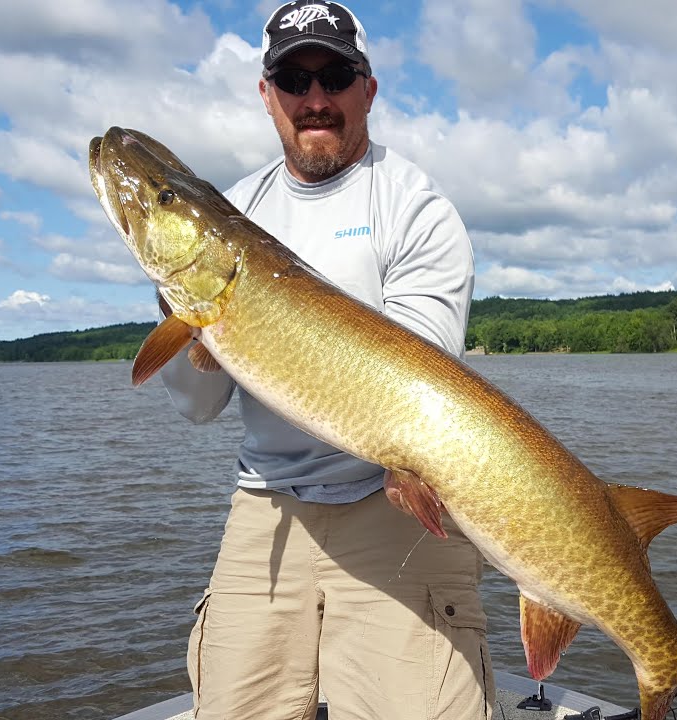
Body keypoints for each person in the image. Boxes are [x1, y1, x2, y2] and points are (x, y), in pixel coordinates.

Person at [156, 3, 494, 719]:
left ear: (367, 89)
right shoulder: (231, 212)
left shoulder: (414, 206)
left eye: (335, 75)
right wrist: (189, 324)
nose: (315, 99)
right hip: (266, 507)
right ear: (266, 92)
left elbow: (418, 391)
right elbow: (195, 405)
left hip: (393, 508)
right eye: (293, 77)